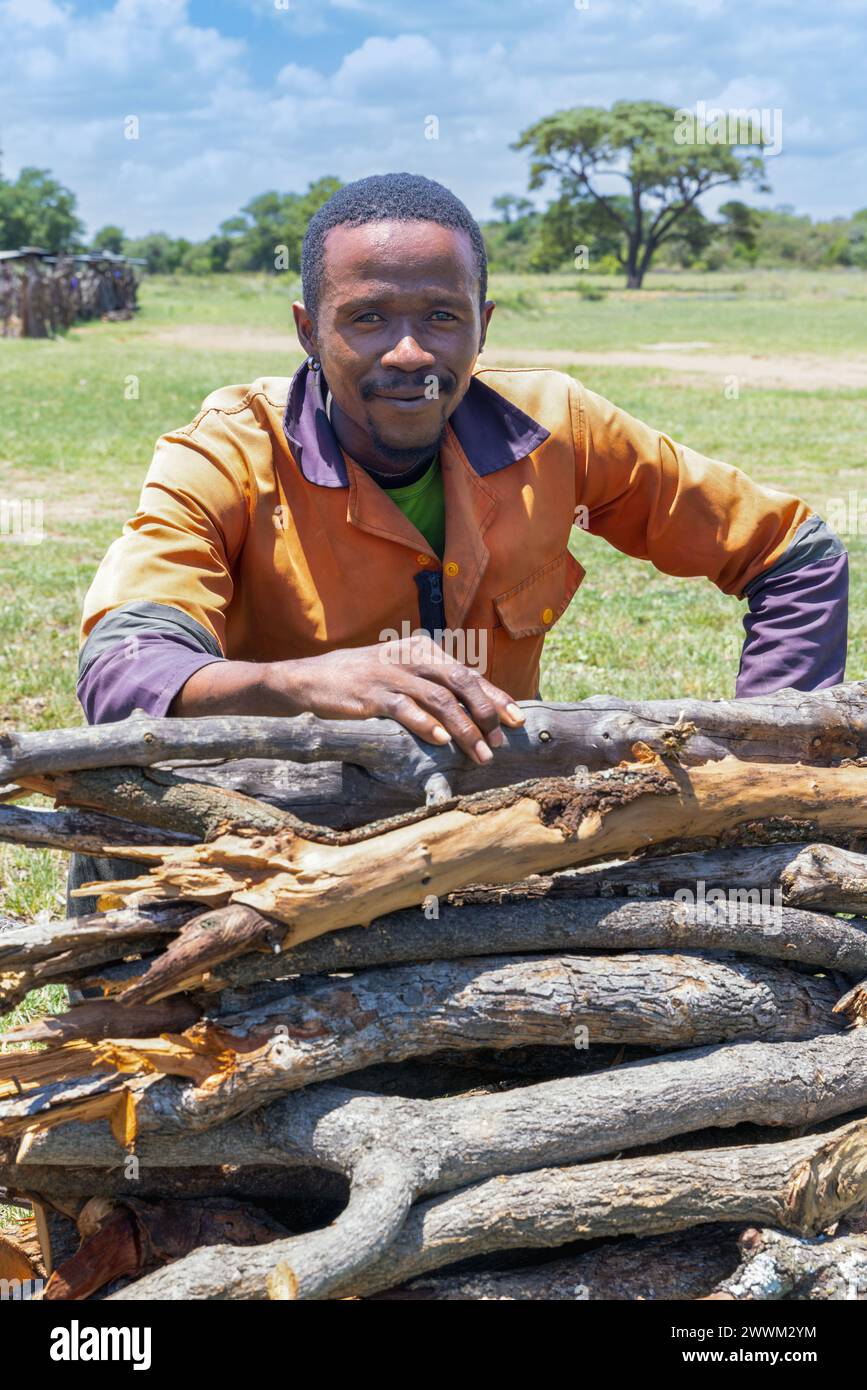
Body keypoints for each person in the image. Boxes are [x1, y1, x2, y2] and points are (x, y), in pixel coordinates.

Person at [68, 172, 848, 912]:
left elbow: (792, 553)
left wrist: (766, 767)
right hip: (271, 833)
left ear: (483, 325)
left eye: (442, 316)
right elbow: (126, 668)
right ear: (308, 328)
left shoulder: (556, 427)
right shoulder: (227, 452)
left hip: (495, 831)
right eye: (367, 317)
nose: (410, 353)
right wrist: (304, 683)